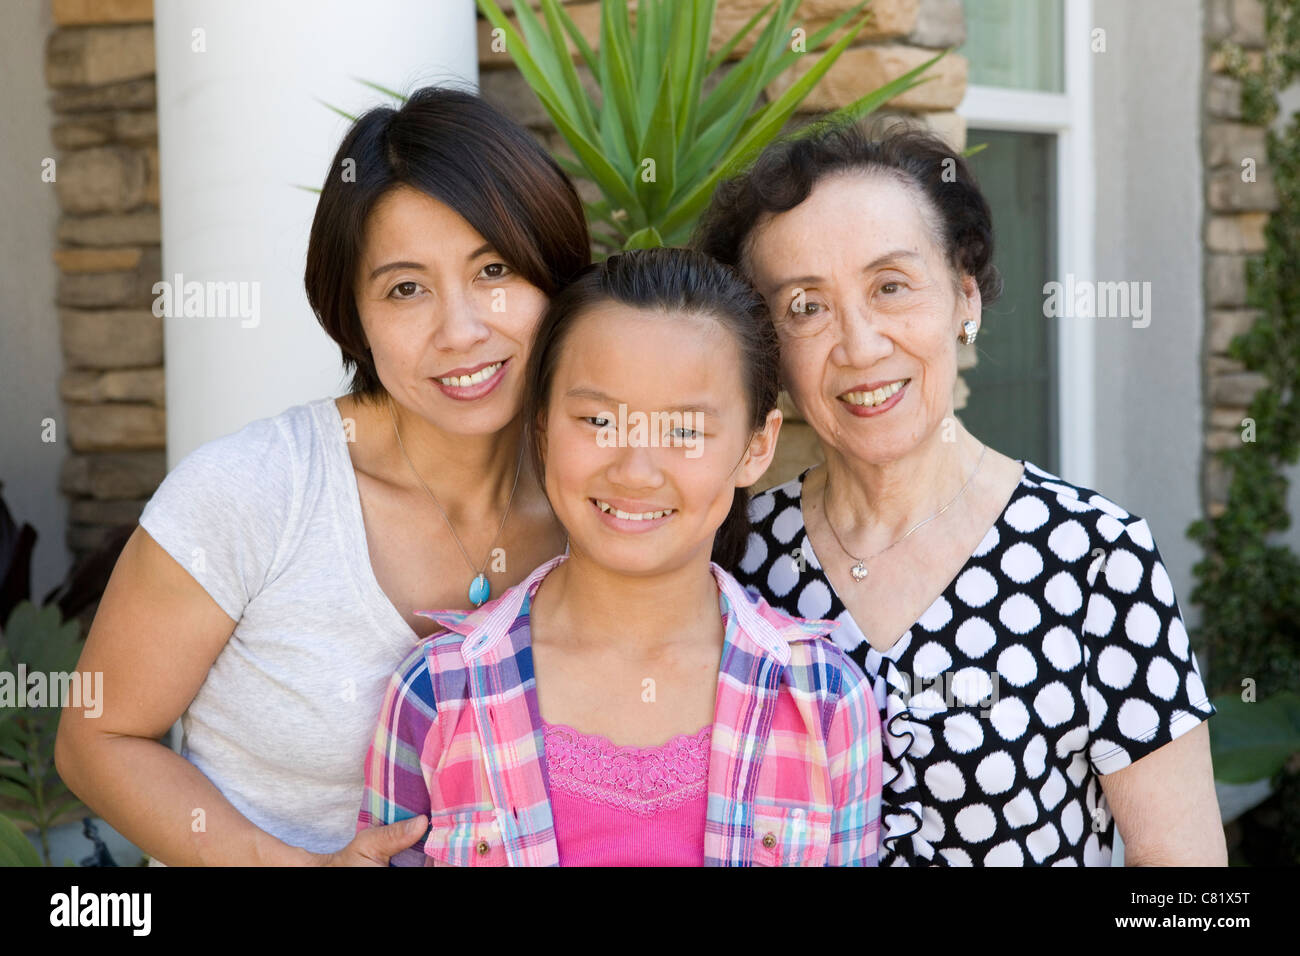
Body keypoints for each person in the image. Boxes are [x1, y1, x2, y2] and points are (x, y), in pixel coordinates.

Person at [54, 87, 589, 865]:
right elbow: (97, 739)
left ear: (553, 277)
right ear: (354, 317)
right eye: (406, 288)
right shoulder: (254, 490)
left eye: (495, 269)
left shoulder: (600, 497)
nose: (461, 330)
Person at [694, 120, 1227, 866]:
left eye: (891, 286)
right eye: (806, 306)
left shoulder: (1095, 561)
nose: (860, 345)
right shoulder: (733, 556)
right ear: (770, 349)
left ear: (963, 298)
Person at [357, 247, 881, 866]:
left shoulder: (821, 697)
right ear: (544, 428)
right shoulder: (440, 691)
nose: (635, 469)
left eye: (685, 431)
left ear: (756, 446)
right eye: (599, 421)